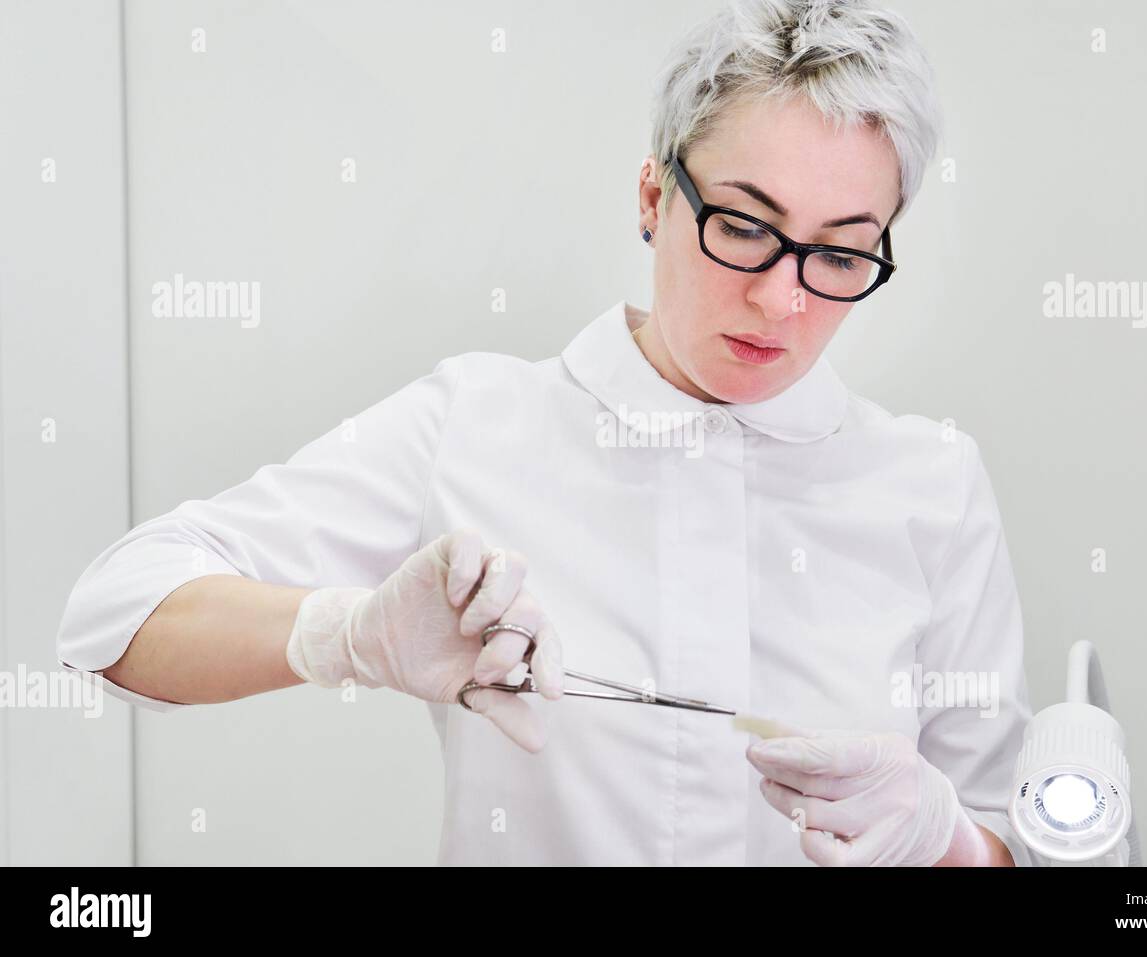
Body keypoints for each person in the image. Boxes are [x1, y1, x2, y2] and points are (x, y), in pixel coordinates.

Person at [56, 0, 1034, 866]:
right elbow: (113, 616)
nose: (781, 298)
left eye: (840, 252)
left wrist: (939, 837)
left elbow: (1015, 847)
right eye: (743, 224)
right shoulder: (476, 426)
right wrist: (349, 636)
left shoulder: (931, 485)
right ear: (655, 198)